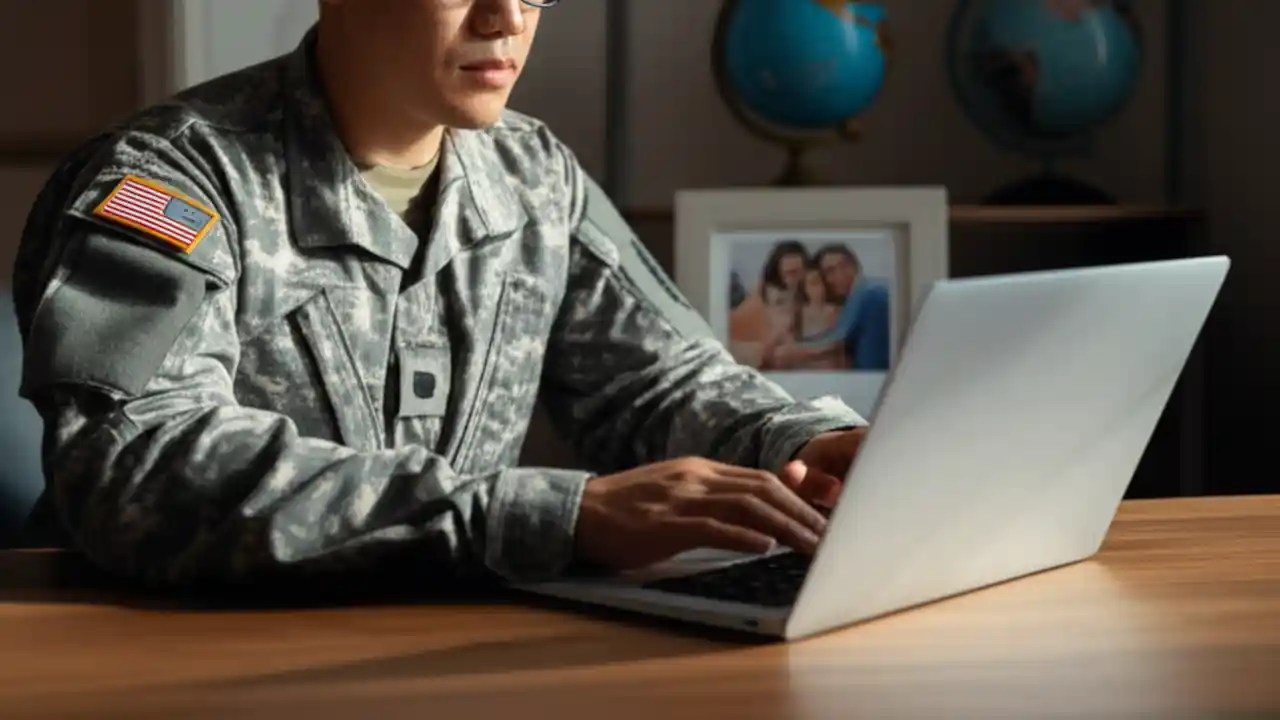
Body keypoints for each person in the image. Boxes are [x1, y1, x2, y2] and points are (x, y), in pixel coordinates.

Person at [9, 0, 869, 589]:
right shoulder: (171, 180)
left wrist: (801, 446)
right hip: (171, 660)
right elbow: (138, 464)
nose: (508, 17)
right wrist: (554, 516)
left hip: (451, 656)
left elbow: (658, 380)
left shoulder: (533, 176)